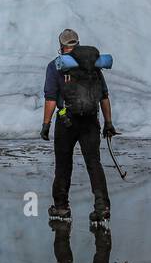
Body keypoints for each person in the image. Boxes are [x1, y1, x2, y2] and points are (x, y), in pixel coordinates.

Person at [40, 28, 117, 229]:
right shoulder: (93, 65)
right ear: (78, 44)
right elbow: (104, 96)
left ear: (61, 46)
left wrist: (46, 124)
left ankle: (61, 208)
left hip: (67, 121)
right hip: (91, 121)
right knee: (94, 163)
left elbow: (50, 98)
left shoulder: (55, 66)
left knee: (63, 165)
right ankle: (102, 208)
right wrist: (108, 123)